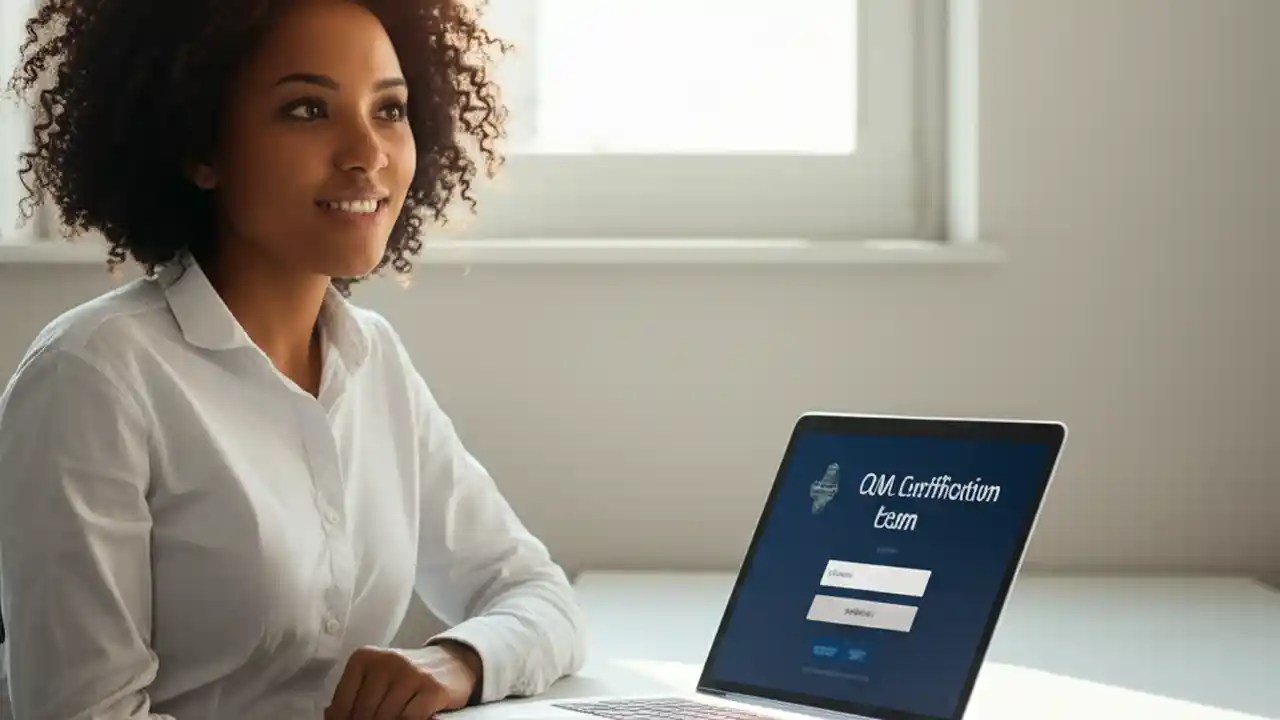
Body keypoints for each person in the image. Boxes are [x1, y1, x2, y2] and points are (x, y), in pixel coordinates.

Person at [0, 1, 586, 718]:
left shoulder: (376, 363)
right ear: (200, 147)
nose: (366, 152)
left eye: (391, 109)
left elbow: (538, 595)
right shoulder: (92, 378)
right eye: (308, 110)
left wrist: (457, 659)